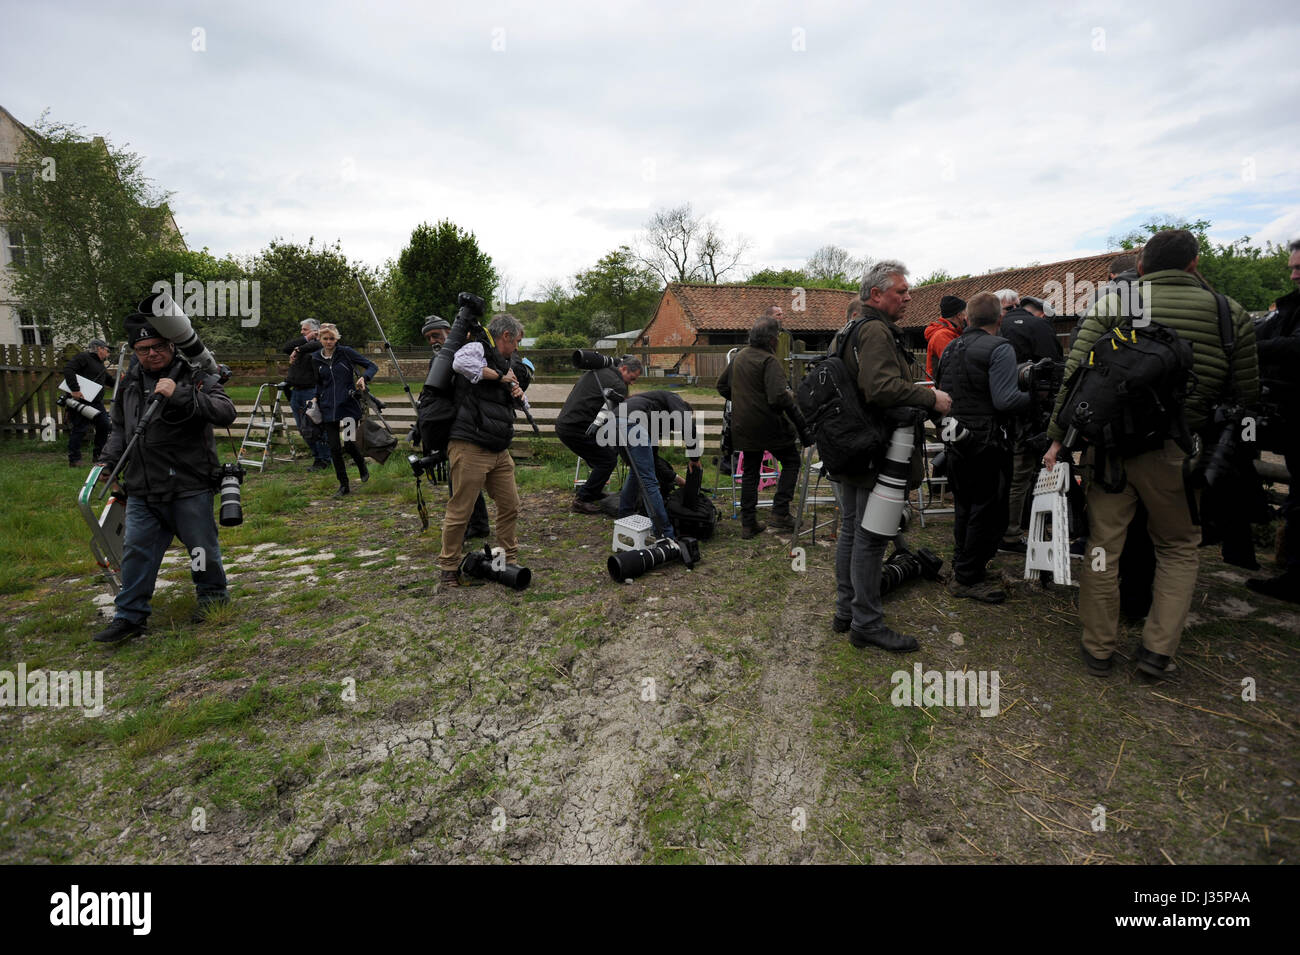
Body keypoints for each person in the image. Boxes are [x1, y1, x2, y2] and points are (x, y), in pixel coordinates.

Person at [1043, 228, 1259, 679]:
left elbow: (1075, 379)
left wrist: (1058, 438)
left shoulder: (1113, 304)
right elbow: (1246, 392)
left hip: (1111, 450)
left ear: (1141, 267)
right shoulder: (1228, 312)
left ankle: (1099, 647)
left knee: (1104, 545)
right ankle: (1158, 651)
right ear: (1194, 264)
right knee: (1179, 547)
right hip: (1180, 451)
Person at [90, 304, 236, 643]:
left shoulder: (196, 374)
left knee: (201, 549)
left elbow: (225, 412)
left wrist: (182, 395)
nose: (152, 354)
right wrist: (108, 462)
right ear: (135, 352)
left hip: (189, 483)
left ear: (171, 345)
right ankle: (130, 617)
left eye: (158, 346)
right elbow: (119, 430)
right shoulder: (129, 382)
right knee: (136, 553)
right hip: (142, 487)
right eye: (144, 349)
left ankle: (212, 600)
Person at [831, 261, 952, 652]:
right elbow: (881, 388)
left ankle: (846, 610)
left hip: (850, 446)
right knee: (870, 537)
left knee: (851, 527)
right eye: (901, 291)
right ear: (876, 295)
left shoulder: (848, 329)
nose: (908, 297)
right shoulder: (876, 332)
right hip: (874, 448)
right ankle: (865, 622)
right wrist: (930, 396)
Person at [936, 292, 1031, 603]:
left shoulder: (950, 347)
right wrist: (1035, 398)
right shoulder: (1000, 347)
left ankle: (963, 566)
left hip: (955, 438)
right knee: (986, 511)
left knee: (964, 505)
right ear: (999, 319)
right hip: (987, 441)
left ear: (969, 318)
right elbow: (1004, 399)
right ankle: (966, 577)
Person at [439, 313, 529, 588]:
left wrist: (519, 395)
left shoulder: (506, 361)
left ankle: (506, 559)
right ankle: (449, 567)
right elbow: (460, 363)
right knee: (461, 509)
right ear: (506, 336)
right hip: (470, 445)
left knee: (510, 504)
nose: (517, 348)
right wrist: (501, 376)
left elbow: (505, 399)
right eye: (516, 342)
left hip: (498, 448)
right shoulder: (477, 347)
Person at [716, 314, 809, 538]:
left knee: (750, 472)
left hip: (742, 426)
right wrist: (803, 427)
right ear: (771, 340)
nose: (777, 340)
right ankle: (780, 513)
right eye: (777, 336)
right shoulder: (769, 361)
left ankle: (748, 524)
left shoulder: (739, 357)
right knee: (791, 461)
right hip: (768, 425)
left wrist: (742, 399)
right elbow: (779, 398)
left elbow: (721, 386)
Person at [1247, 237, 1300, 602]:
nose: (1294, 275)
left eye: (1299, 268)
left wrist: (1249, 348)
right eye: (1292, 268)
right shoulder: (1288, 309)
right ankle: (1293, 570)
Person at [996, 288, 1063, 554]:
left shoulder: (991, 327)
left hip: (996, 414)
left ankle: (1004, 529)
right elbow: (1056, 371)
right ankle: (1015, 532)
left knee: (1006, 473)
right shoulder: (1040, 327)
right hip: (1031, 413)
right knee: (1027, 473)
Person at [416, 315, 491, 539]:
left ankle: (471, 525)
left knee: (462, 478)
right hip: (446, 421)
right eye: (429, 337)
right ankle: (477, 524)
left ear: (449, 332)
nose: (432, 341)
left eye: (436, 335)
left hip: (467, 422)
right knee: (459, 477)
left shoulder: (468, 354)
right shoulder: (435, 361)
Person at [555, 355, 642, 513]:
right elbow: (616, 415)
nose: (632, 382)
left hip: (566, 423)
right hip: (576, 428)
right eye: (632, 377)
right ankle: (582, 500)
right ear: (623, 369)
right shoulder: (618, 385)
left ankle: (593, 491)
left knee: (606, 454)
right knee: (607, 460)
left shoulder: (601, 369)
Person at [615, 389, 703, 537]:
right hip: (631, 423)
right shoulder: (674, 398)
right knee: (649, 482)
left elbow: (653, 462)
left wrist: (675, 478)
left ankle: (625, 517)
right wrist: (694, 458)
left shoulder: (653, 417)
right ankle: (665, 534)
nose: (674, 429)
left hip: (614, 422)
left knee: (637, 472)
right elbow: (687, 425)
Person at [311, 323, 378, 496]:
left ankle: (361, 465)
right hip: (327, 409)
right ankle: (344, 485)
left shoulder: (346, 352)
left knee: (348, 443)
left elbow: (372, 366)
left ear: (337, 339)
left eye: (332, 338)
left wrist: (364, 377)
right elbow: (319, 382)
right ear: (320, 339)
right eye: (325, 339)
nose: (328, 342)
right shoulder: (315, 359)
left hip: (347, 405)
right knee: (334, 448)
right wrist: (316, 397)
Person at [283, 319, 332, 470]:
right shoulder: (303, 345)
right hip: (296, 392)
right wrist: (303, 340)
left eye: (305, 330)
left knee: (315, 427)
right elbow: (286, 347)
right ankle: (317, 456)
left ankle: (324, 459)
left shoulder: (320, 344)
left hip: (310, 392)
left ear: (314, 331)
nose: (301, 332)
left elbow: (316, 345)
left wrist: (298, 349)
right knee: (303, 428)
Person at [63, 338, 112, 467]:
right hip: (81, 400)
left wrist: (122, 381)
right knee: (80, 428)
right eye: (107, 350)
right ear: (99, 348)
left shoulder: (100, 365)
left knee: (104, 425)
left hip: (95, 402)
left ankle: (99, 455)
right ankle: (74, 459)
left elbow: (108, 380)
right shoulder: (83, 357)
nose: (108, 353)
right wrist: (75, 389)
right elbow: (68, 369)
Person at [924, 295, 966, 381]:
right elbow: (954, 364)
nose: (966, 317)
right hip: (940, 389)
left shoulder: (953, 332)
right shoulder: (942, 336)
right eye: (965, 312)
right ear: (958, 315)